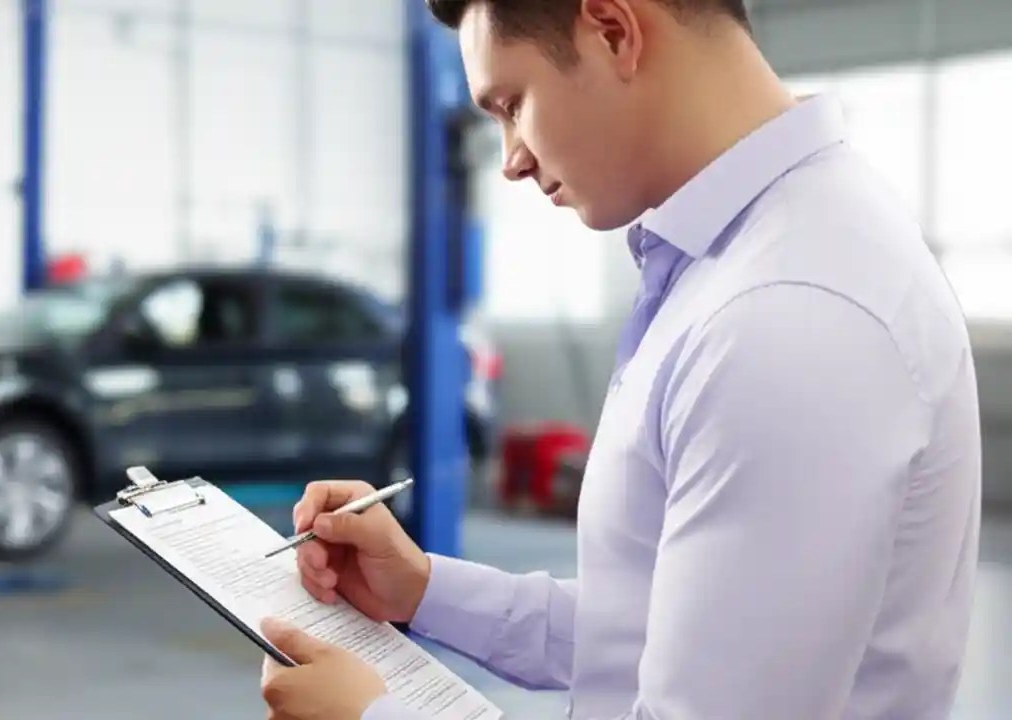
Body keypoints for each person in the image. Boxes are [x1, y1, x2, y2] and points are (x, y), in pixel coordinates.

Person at [259, 0, 982, 718]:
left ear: (612, 30)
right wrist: (422, 588)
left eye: (512, 103)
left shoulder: (788, 311)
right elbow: (646, 631)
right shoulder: (737, 266)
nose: (510, 158)